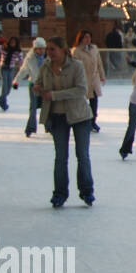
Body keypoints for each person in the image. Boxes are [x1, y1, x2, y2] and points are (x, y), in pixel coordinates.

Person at [36, 37, 95, 208]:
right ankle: (60, 193)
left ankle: (87, 191)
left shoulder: (76, 66)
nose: (49, 52)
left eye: (53, 49)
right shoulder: (46, 66)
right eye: (48, 49)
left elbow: (81, 90)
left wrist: (54, 95)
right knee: (61, 157)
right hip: (57, 116)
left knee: (82, 155)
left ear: (63, 50)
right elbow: (39, 82)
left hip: (79, 116)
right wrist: (37, 87)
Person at [14, 38, 49, 136]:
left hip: (46, 86)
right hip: (33, 85)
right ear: (35, 49)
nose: (41, 51)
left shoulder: (49, 58)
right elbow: (23, 70)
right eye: (39, 49)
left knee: (47, 107)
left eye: (43, 49)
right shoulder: (30, 58)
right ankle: (30, 128)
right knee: (33, 107)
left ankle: (49, 126)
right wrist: (16, 81)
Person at [71, 30, 105, 133]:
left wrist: (102, 75)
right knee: (82, 103)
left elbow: (99, 63)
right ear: (81, 38)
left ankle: (92, 121)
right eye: (85, 37)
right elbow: (73, 67)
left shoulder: (94, 49)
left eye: (89, 37)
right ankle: (83, 122)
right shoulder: (76, 51)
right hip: (82, 80)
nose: (88, 39)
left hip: (94, 80)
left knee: (94, 103)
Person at [0, 35, 23, 111]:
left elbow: (21, 60)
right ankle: (3, 103)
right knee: (5, 86)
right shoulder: (4, 48)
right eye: (11, 42)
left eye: (14, 43)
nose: (12, 44)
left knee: (8, 88)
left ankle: (0, 101)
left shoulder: (17, 51)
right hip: (3, 68)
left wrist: (21, 65)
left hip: (11, 69)